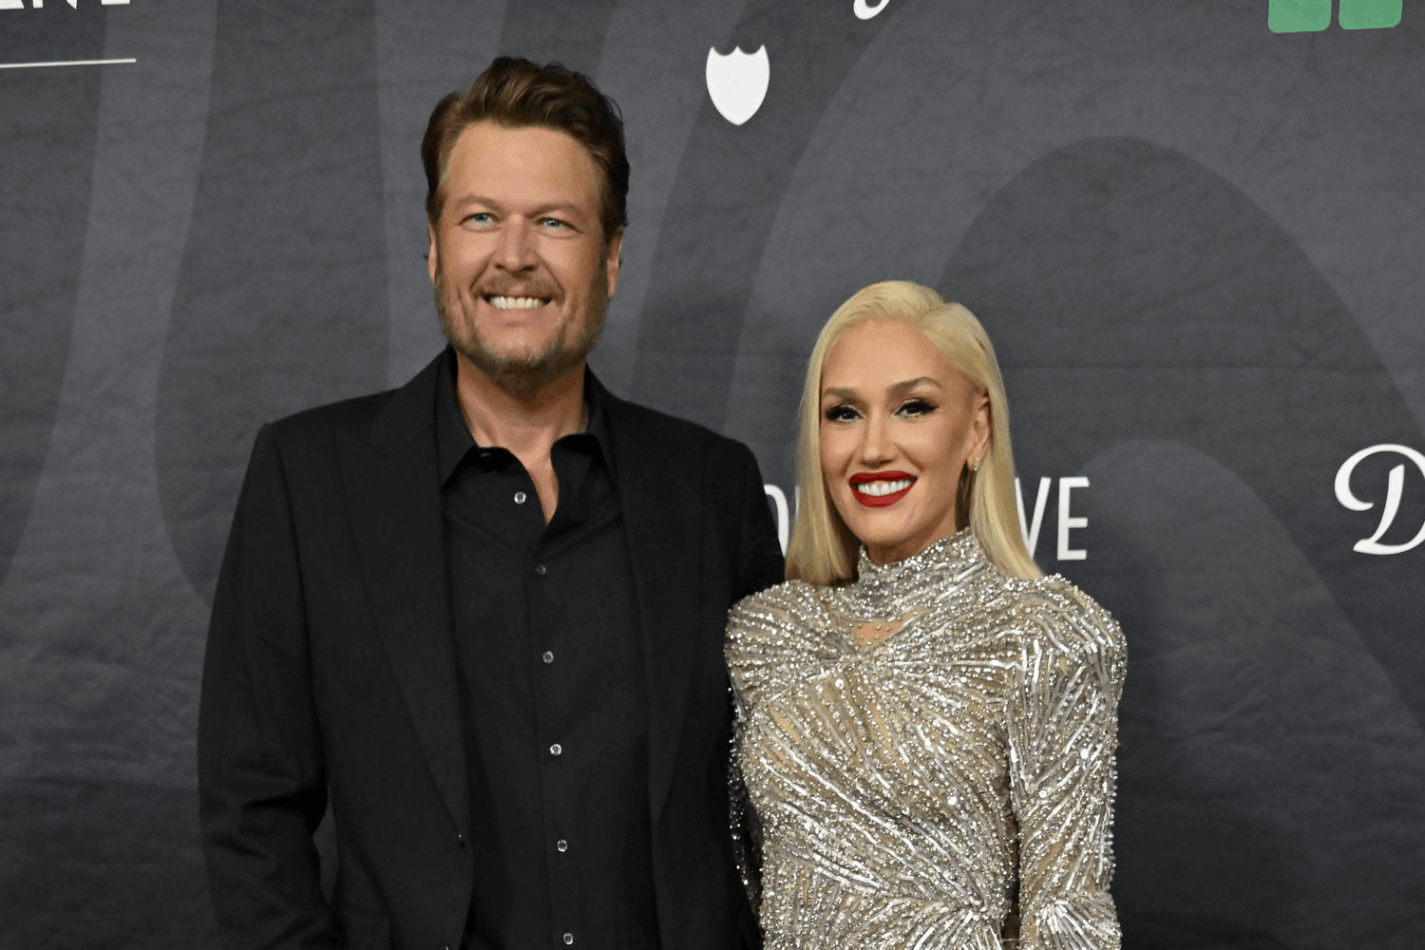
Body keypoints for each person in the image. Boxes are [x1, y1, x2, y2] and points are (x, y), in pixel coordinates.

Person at [198, 57, 784, 950]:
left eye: (554, 221)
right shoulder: (308, 480)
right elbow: (250, 809)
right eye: (480, 218)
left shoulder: (713, 489)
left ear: (611, 256)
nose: (514, 255)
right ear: (434, 246)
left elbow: (777, 801)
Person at [726, 281, 1125, 949]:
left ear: (977, 430)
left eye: (912, 407)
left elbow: (1067, 919)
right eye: (844, 413)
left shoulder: (1045, 636)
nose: (873, 448)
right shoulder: (765, 637)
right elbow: (727, 882)